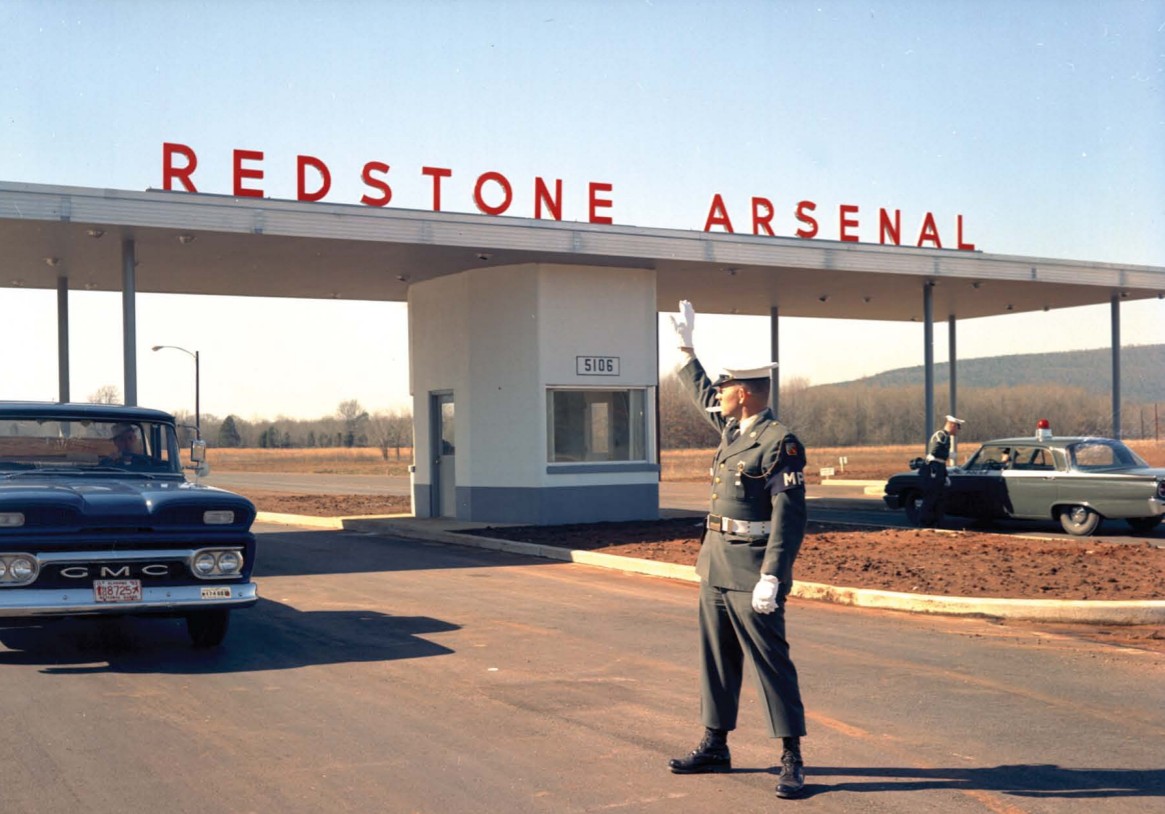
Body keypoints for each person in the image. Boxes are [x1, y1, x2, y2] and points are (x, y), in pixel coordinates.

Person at [666, 300, 810, 801]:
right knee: (717, 660)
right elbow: (703, 395)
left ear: (745, 394)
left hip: (752, 568)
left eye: (727, 388)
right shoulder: (735, 430)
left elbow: (790, 515)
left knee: (771, 662)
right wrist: (687, 351)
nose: (719, 396)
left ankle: (791, 756)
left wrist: (774, 573)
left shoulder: (778, 442)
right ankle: (715, 744)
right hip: (716, 563)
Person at [918, 414, 965, 527]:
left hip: (939, 470)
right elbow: (935, 452)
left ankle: (936, 522)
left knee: (939, 498)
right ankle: (924, 523)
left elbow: (941, 461)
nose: (958, 430)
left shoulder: (946, 436)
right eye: (957, 427)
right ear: (952, 425)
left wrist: (945, 475)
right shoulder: (941, 435)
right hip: (932, 470)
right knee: (931, 497)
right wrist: (949, 455)